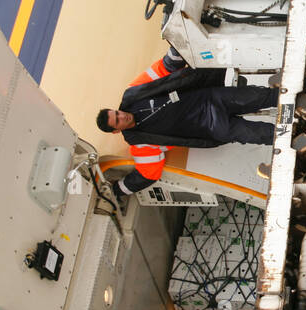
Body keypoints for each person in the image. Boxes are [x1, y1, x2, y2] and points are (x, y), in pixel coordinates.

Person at [96, 45, 278, 198]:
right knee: (259, 134)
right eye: (117, 121)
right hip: (213, 128)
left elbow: (162, 70)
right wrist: (115, 190)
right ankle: (294, 134)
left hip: (213, 98)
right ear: (116, 131)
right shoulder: (139, 143)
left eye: (117, 113)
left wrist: (176, 48)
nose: (122, 116)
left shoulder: (133, 94)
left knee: (261, 96)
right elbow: (148, 174)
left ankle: (297, 98)